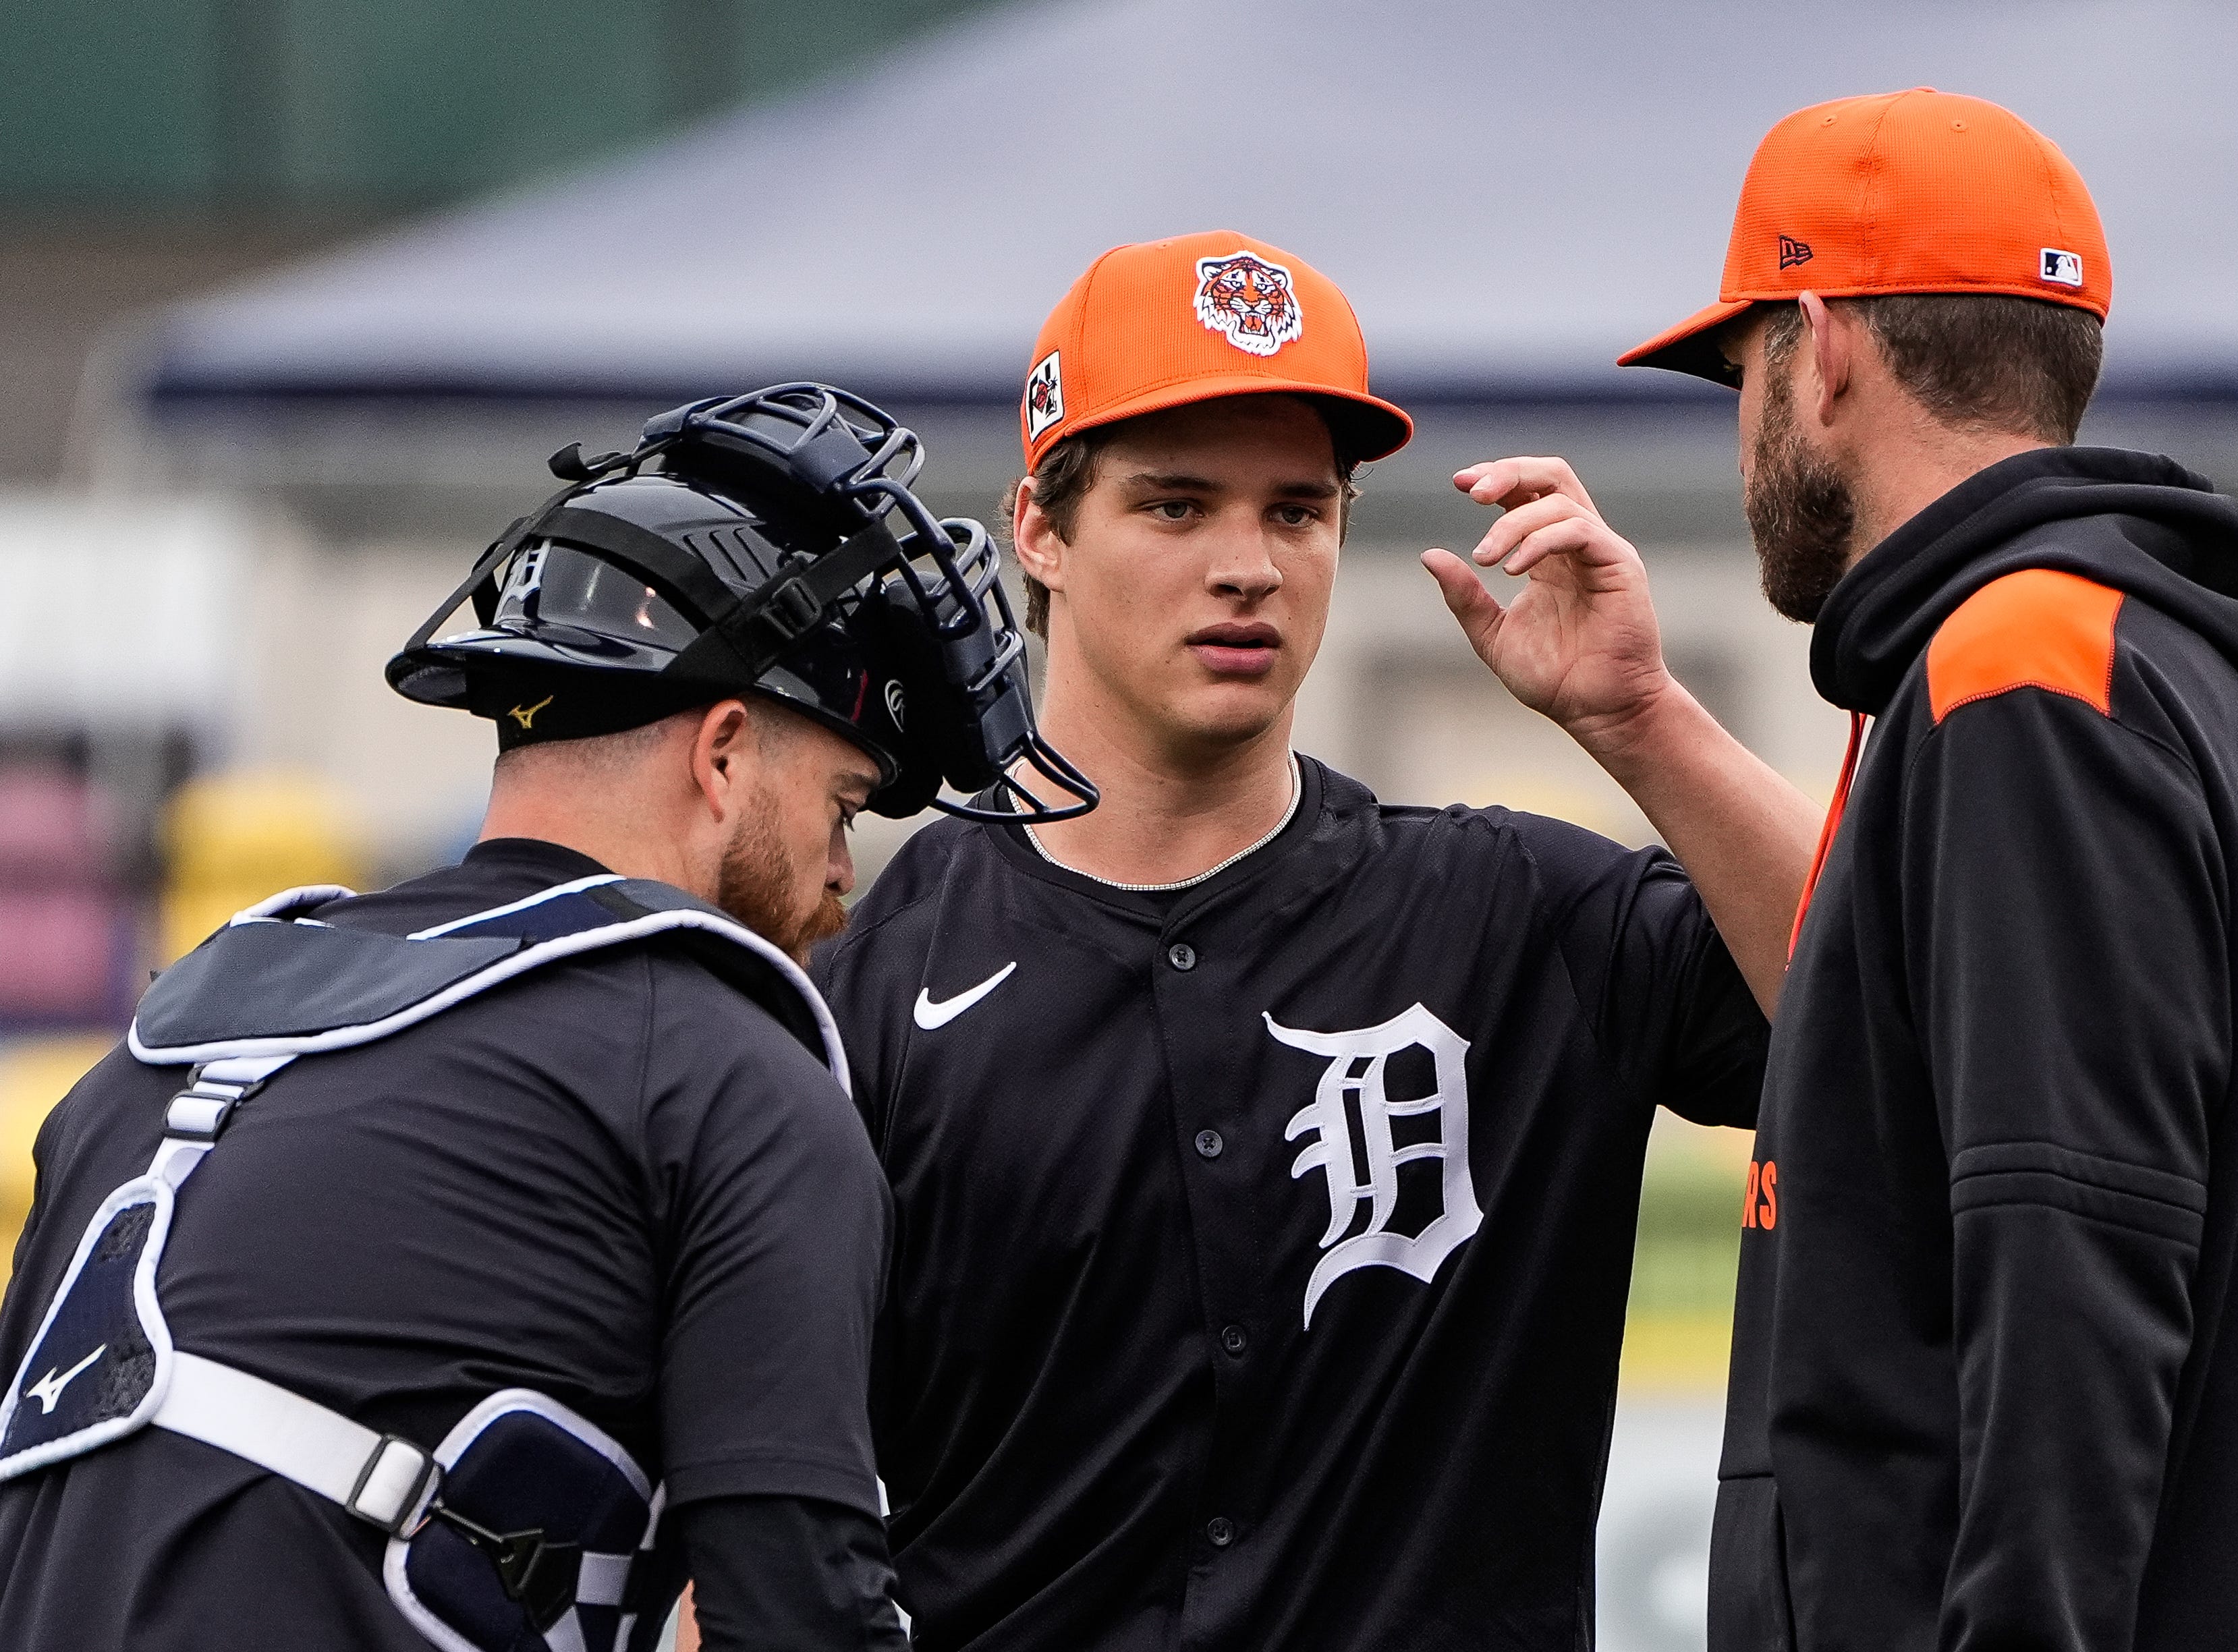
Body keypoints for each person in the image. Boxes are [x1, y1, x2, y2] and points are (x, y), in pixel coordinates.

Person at [810, 231, 1820, 1650]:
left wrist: (1641, 718)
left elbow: (1894, 1024)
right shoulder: (868, 973)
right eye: (1174, 506)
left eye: (1298, 511)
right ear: (1038, 529)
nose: (1249, 568)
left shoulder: (1512, 910)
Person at [0, 385, 1083, 1652]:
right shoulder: (726, 1076)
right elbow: (799, 1620)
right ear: (723, 754)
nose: (845, 886)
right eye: (843, 809)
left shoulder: (179, 1027)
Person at [1616, 90, 2238, 1649]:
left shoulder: (2020, 673)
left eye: (1740, 365)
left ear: (1819, 349)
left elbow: (2069, 1284)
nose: (1745, 415)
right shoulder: (2105, 654)